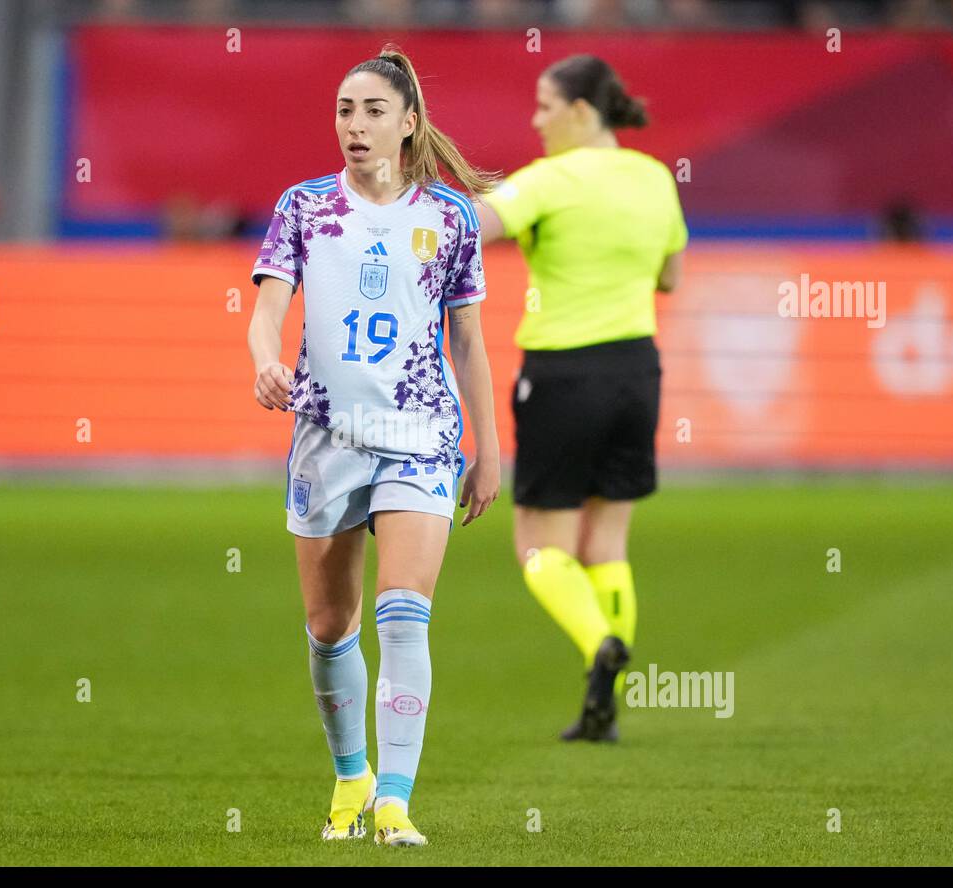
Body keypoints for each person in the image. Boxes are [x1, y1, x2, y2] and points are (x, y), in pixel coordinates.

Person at [246, 46, 500, 846]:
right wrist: (264, 358)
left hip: (419, 436)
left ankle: (394, 799)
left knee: (404, 615)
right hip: (325, 438)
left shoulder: (450, 218)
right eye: (345, 111)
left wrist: (486, 445)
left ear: (408, 123)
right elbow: (267, 308)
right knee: (329, 627)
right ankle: (351, 772)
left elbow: (468, 342)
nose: (355, 126)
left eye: (373, 111)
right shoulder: (304, 207)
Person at [476, 54, 687, 742]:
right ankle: (606, 703)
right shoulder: (655, 178)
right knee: (609, 543)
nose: (535, 121)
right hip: (637, 370)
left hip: (563, 373)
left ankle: (598, 643)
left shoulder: (550, 180)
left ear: (582, 111)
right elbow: (671, 277)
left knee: (541, 546)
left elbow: (474, 227)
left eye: (544, 106)